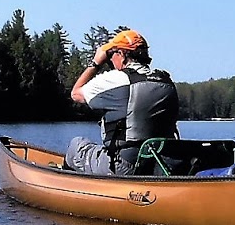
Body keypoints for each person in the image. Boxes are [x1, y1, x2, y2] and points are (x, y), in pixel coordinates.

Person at [66, 28, 181, 174]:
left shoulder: (116, 79)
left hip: (124, 167)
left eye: (112, 55)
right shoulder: (166, 81)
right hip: (161, 165)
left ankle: (68, 184)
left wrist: (96, 62)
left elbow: (76, 93)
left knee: (76, 145)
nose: (111, 60)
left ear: (121, 54)